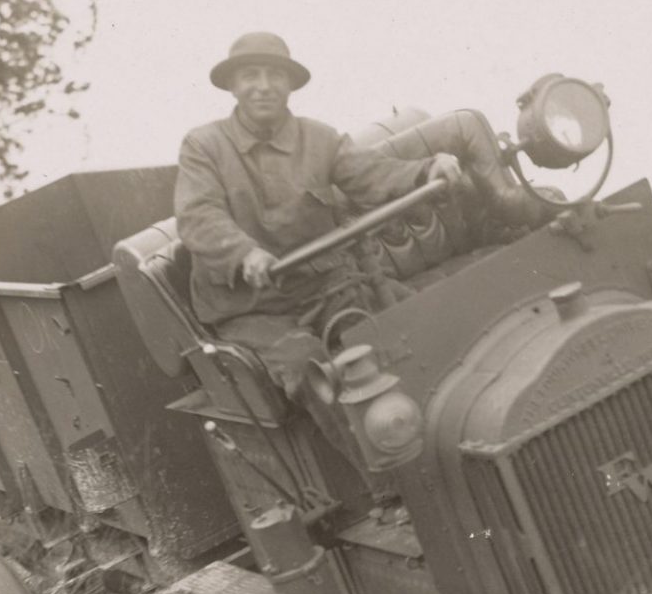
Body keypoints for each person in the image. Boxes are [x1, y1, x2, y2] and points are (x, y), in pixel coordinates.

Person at [174, 31, 465, 412]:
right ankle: (379, 468)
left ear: (290, 84)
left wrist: (428, 168)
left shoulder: (320, 138)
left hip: (327, 289)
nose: (263, 87)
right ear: (232, 85)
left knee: (417, 328)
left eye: (275, 75)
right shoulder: (203, 146)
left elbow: (371, 174)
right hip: (255, 310)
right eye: (250, 75)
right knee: (314, 373)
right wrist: (245, 254)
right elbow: (198, 215)